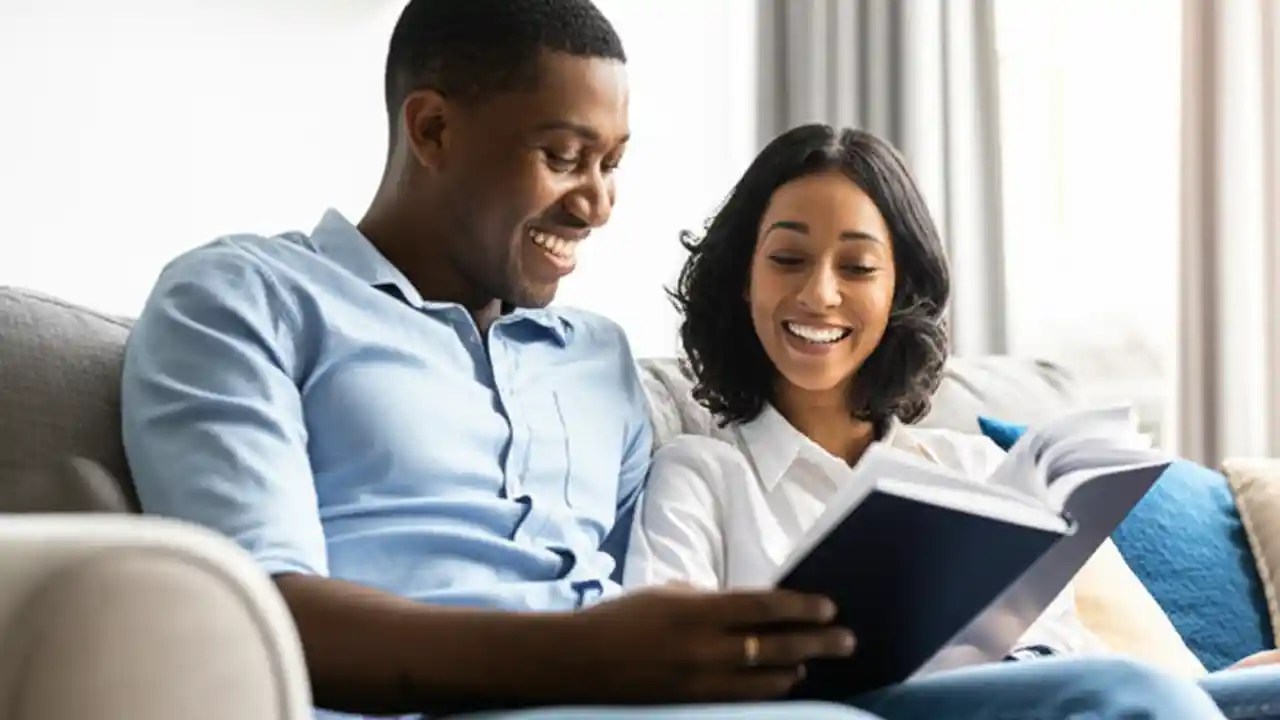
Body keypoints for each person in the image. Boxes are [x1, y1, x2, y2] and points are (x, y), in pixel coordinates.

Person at [624, 122, 1280, 718]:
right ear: (745, 278)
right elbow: (665, 669)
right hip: (866, 709)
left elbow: (1061, 651)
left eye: (857, 267)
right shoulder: (702, 473)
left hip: (1041, 692)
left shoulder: (973, 467)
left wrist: (1219, 680)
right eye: (788, 260)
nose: (819, 293)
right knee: (1133, 693)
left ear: (897, 293)